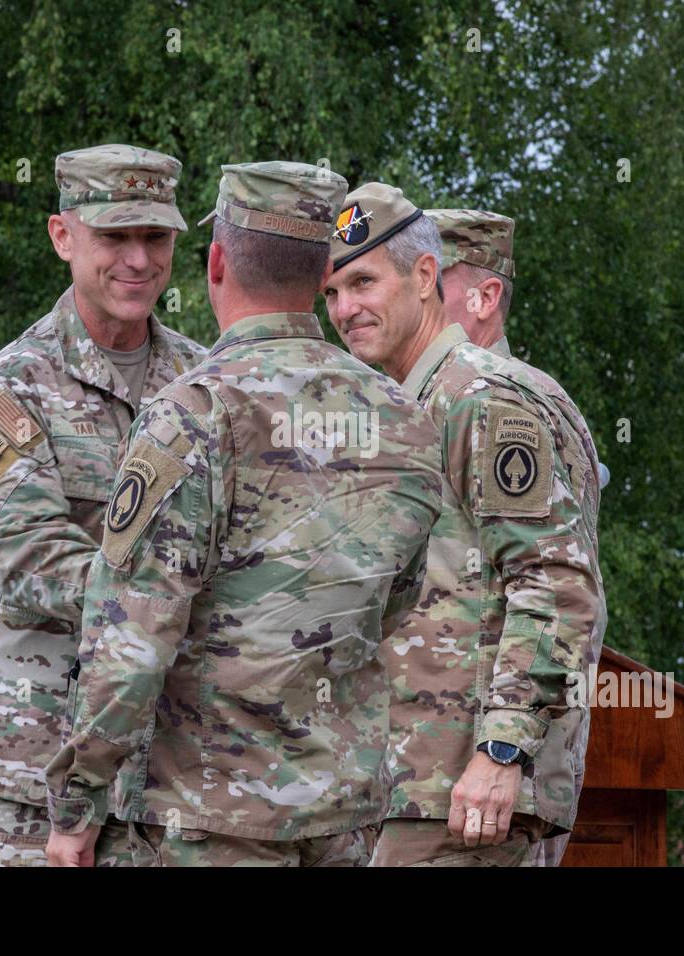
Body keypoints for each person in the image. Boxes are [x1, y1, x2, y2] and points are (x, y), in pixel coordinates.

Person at [42, 160, 443, 867]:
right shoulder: (404, 417)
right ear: (324, 272)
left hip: (215, 817)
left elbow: (133, 635)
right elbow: (397, 598)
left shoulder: (192, 413)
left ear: (217, 262)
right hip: (343, 813)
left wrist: (77, 802)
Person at [0, 144, 206, 866]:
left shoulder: (207, 384)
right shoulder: (13, 386)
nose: (139, 260)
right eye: (115, 237)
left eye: (156, 238)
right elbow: (22, 559)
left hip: (171, 783)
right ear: (64, 237)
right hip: (23, 777)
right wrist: (165, 597)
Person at [325, 183, 606, 866]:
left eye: (362, 282)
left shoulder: (477, 397)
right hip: (408, 789)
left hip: (462, 793)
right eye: (331, 292)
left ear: (425, 278)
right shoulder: (409, 404)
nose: (344, 309)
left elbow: (558, 582)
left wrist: (501, 747)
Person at [428, 206, 606, 866]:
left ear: (484, 294)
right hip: (436, 777)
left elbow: (558, 587)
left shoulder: (501, 400)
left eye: (431, 279)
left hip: (492, 778)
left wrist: (502, 746)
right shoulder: (433, 397)